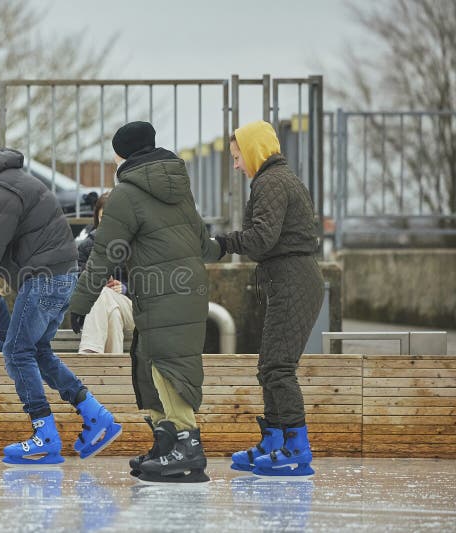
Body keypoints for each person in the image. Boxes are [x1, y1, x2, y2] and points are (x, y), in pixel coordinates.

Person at [0, 140, 121, 465]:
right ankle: (97, 416)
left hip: (45, 277)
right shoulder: (7, 183)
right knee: (37, 351)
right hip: (59, 274)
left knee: (15, 351)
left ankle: (45, 436)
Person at [69, 121, 221, 483]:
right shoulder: (180, 188)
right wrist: (227, 245)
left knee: (167, 367)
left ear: (123, 154)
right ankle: (167, 441)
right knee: (147, 363)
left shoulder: (125, 193)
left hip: (163, 291)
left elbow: (103, 254)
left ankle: (187, 446)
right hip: (185, 288)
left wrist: (80, 303)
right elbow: (203, 244)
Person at [215, 120, 323, 477]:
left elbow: (261, 238)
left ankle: (296, 449)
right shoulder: (276, 179)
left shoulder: (271, 181)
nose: (235, 165)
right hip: (288, 278)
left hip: (294, 279)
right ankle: (274, 442)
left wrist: (222, 243)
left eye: (237, 156)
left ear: (253, 151)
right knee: (269, 367)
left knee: (278, 368)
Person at [75, 192, 134, 354]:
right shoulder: (87, 246)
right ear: (97, 219)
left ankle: (88, 352)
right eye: (103, 219)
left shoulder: (135, 246)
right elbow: (76, 283)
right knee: (112, 314)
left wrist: (125, 288)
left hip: (134, 309)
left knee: (103, 295)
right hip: (102, 308)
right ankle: (113, 375)